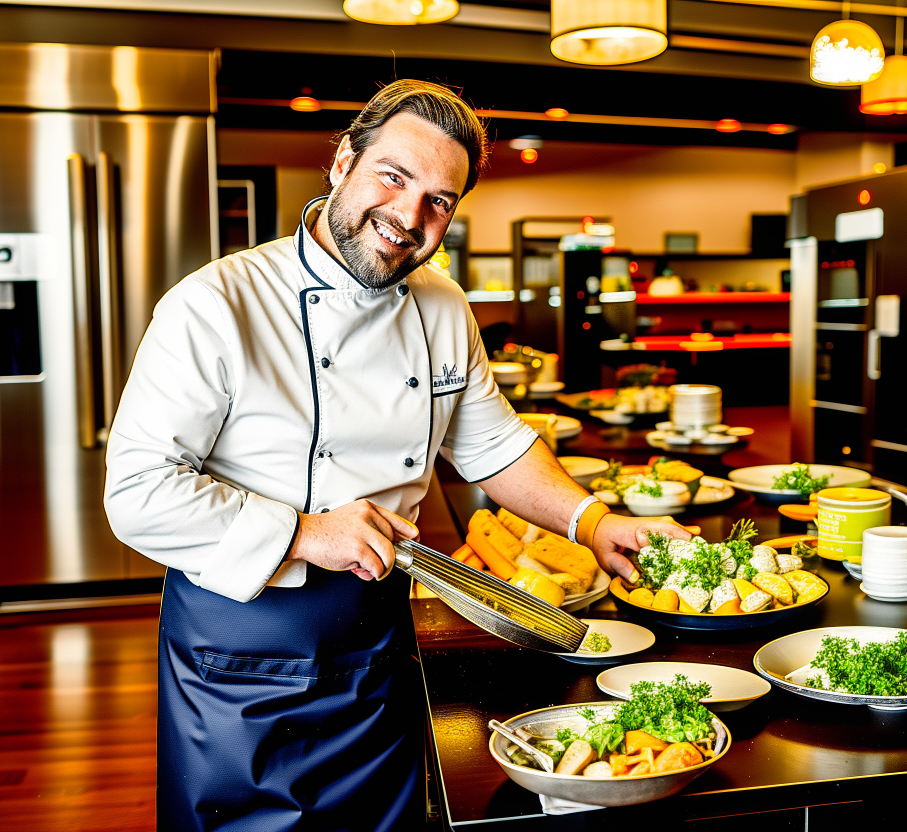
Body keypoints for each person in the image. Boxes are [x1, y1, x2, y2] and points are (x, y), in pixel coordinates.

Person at [104, 79, 691, 831]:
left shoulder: (442, 304)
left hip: (379, 633)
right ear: (342, 161)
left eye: (439, 201)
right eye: (393, 176)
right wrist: (309, 532)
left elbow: (492, 442)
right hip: (243, 653)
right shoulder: (217, 303)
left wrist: (594, 521)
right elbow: (139, 492)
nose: (410, 217)